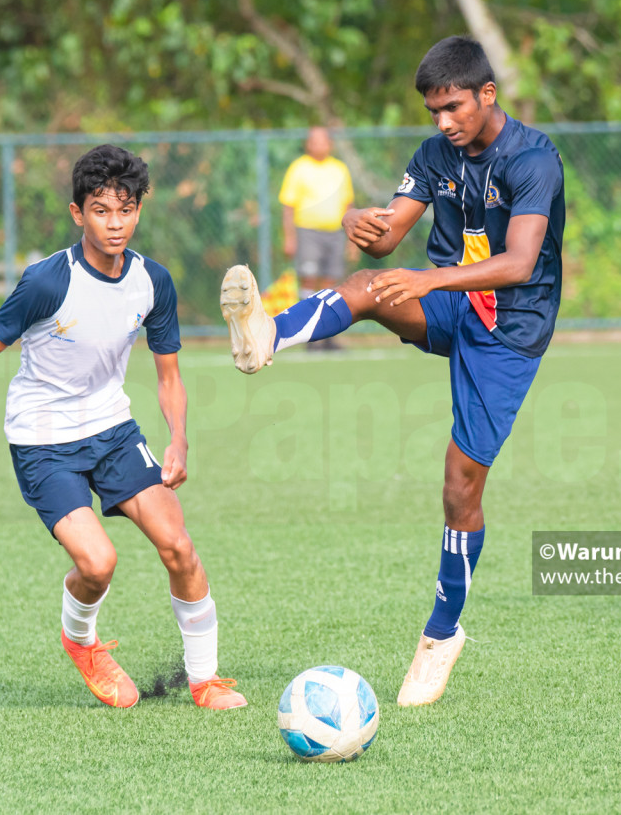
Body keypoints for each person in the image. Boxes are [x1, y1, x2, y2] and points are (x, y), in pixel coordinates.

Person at [220, 36, 565, 705]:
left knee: (459, 486)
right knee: (369, 282)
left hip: (509, 329)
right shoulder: (435, 155)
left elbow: (521, 263)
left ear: (486, 95)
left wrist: (429, 280)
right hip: (447, 301)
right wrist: (360, 223)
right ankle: (266, 337)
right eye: (434, 110)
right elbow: (389, 237)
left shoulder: (533, 158)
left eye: (454, 107)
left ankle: (441, 637)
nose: (443, 122)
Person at [0, 145, 247, 710]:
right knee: (98, 563)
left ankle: (205, 680)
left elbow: (169, 376)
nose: (115, 223)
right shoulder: (46, 282)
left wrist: (177, 438)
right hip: (42, 440)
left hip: (112, 430)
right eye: (101, 210)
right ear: (78, 213)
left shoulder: (153, 282)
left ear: (139, 210)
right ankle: (81, 640)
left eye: (126, 209)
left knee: (179, 547)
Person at [278, 126, 355, 349]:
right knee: (309, 280)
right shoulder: (299, 168)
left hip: (335, 233)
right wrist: (289, 237)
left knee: (333, 283)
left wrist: (352, 241)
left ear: (329, 144)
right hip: (308, 232)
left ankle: (329, 334)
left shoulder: (339, 169)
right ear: (308, 144)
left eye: (323, 140)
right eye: (314, 140)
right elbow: (288, 206)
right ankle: (307, 335)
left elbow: (348, 204)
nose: (318, 144)